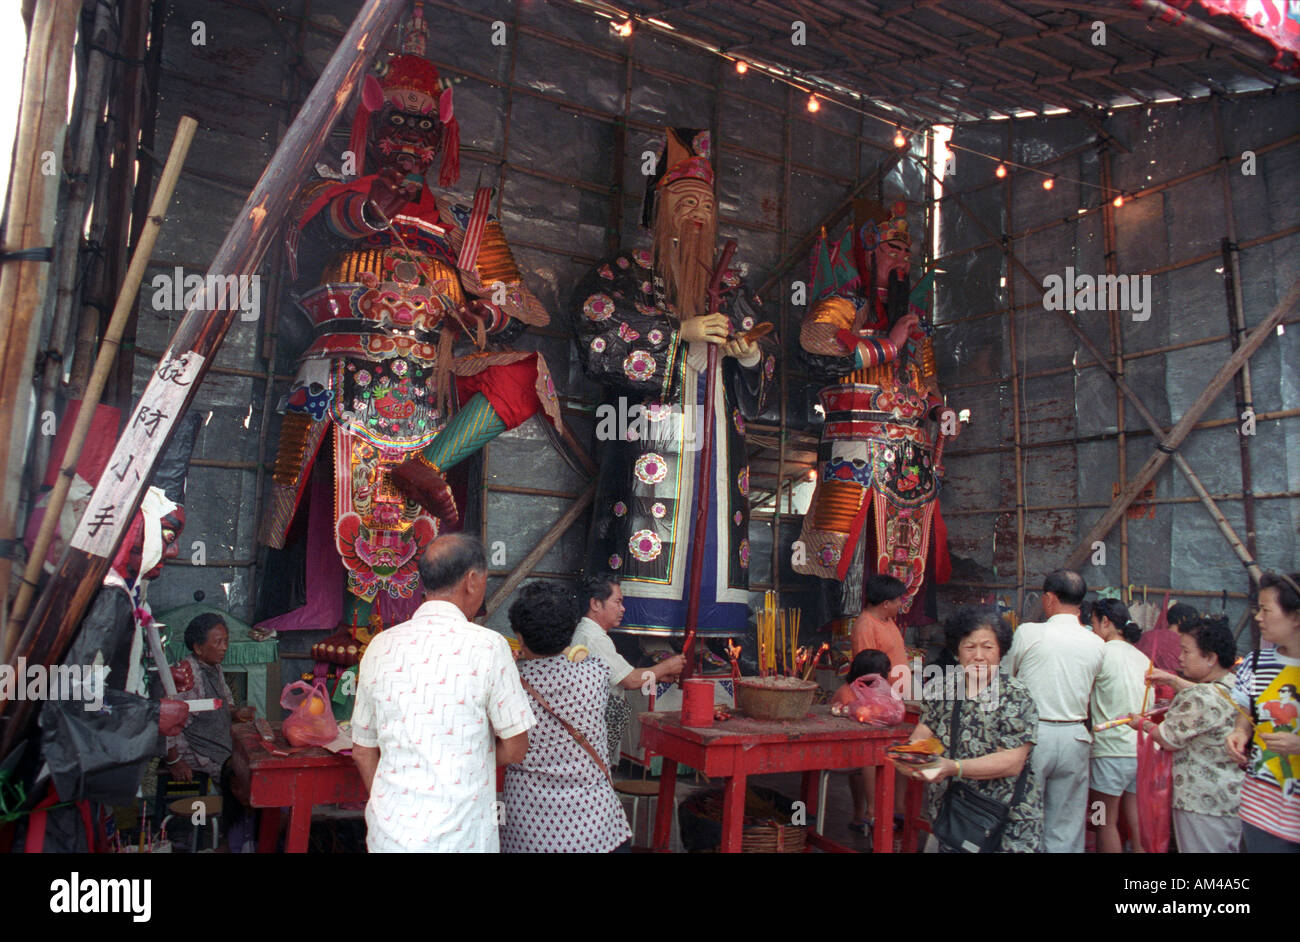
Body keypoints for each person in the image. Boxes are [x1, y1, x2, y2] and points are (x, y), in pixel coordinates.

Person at [259, 4, 562, 672]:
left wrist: (485, 312)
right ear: (371, 122)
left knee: (526, 374)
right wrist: (369, 206)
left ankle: (431, 466)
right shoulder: (333, 191)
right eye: (399, 125)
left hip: (432, 376)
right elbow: (304, 247)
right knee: (337, 502)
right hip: (348, 364)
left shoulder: (461, 222)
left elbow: (516, 308)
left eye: (426, 131)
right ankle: (337, 626)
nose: (412, 144)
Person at [570, 127, 776, 644]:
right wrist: (676, 333)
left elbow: (763, 359)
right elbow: (597, 331)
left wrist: (750, 357)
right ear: (659, 209)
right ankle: (635, 634)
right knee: (644, 523)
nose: (699, 212)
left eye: (706, 202)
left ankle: (713, 636)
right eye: (685, 200)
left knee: (715, 532)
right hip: (649, 435)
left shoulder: (732, 287)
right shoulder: (623, 272)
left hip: (720, 446)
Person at [792, 201, 958, 619]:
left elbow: (928, 382)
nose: (902, 261)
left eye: (907, 253)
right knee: (849, 541)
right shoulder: (844, 304)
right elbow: (814, 343)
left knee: (907, 545)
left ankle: (897, 634)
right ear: (867, 253)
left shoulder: (915, 320)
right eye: (891, 250)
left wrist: (940, 412)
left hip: (911, 457)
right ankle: (847, 636)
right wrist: (889, 345)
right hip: (858, 447)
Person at [350, 534, 535, 852]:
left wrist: (388, 805)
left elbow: (362, 750)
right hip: (461, 839)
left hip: (390, 835)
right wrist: (462, 763)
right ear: (472, 580)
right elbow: (517, 747)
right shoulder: (489, 647)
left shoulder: (381, 646)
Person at [895, 607, 1043, 853]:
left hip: (1005, 820)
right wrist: (909, 758)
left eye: (988, 647)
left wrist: (953, 767)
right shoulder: (943, 688)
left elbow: (1012, 762)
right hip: (955, 816)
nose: (979, 655)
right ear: (956, 650)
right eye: (969, 646)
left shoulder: (1016, 694)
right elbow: (922, 735)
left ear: (1001, 651)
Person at [501, 581, 633, 853]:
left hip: (529, 831)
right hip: (596, 829)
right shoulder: (595, 673)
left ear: (519, 637)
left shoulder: (509, 686)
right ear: (571, 631)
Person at [1006, 569, 1104, 853]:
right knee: (1066, 826)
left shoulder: (1028, 633)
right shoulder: (1097, 644)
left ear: (1049, 599)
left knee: (1022, 816)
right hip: (1076, 737)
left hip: (1033, 737)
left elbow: (1006, 680)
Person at [1136, 616, 1242, 853]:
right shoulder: (1234, 685)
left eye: (1186, 651)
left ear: (1211, 658)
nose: (1181, 658)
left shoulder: (1200, 697)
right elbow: (1211, 694)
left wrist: (1140, 724)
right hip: (1228, 796)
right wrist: (1174, 680)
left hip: (1201, 801)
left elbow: (1166, 737)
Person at [573, 573, 685, 765]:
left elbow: (619, 677)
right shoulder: (595, 639)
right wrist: (668, 665)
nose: (622, 609)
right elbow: (630, 679)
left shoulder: (590, 634)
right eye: (617, 602)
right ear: (595, 604)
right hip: (591, 728)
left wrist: (656, 677)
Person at [1227, 571, 1300, 852]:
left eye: (1266, 610)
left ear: (1295, 616)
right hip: (1261, 811)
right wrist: (1239, 732)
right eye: (1258, 610)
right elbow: (1246, 713)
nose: (1258, 618)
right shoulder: (1255, 663)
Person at [1087, 598, 1152, 853]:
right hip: (1139, 751)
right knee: (1136, 821)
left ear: (1105, 622)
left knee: (1104, 822)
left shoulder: (1100, 654)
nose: (1092, 631)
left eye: (1092, 624)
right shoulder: (1143, 659)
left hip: (1109, 753)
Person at [848, 573, 912, 830]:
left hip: (896, 698)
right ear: (885, 602)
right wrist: (882, 698)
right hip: (877, 701)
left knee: (899, 754)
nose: (900, 606)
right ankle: (870, 811)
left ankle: (896, 809)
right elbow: (866, 670)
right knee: (871, 757)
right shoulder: (866, 625)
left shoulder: (888, 621)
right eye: (898, 601)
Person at [164, 613, 257, 783]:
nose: (224, 647)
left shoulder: (215, 668)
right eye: (218, 642)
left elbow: (224, 702)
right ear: (198, 648)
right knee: (243, 781)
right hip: (198, 750)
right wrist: (174, 761)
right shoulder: (186, 674)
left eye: (226, 641)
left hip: (218, 742)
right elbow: (168, 724)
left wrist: (235, 713)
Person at [832, 648, 894, 834]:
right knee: (872, 758)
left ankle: (869, 812)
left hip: (856, 749)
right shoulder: (847, 692)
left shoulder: (873, 692)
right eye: (885, 673)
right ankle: (873, 810)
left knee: (881, 754)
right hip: (838, 752)